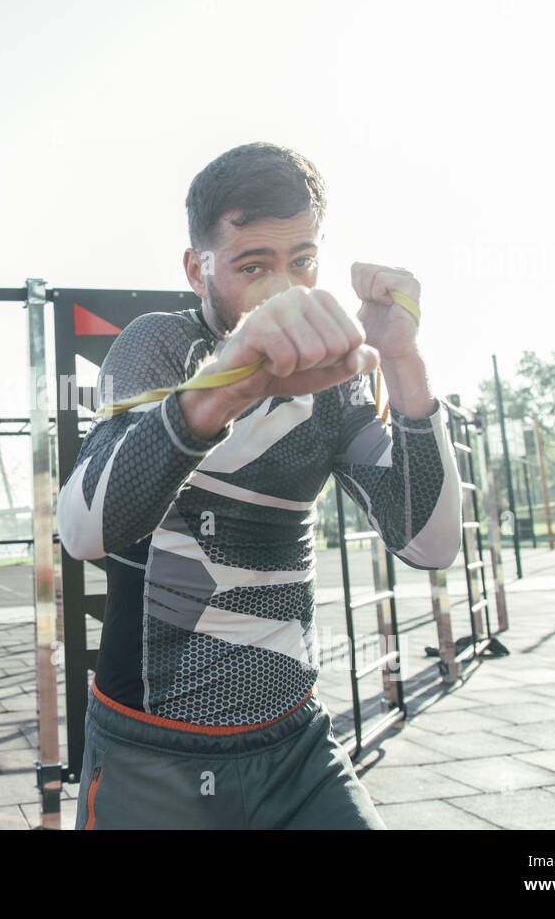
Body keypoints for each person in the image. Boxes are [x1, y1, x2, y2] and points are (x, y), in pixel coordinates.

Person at [57, 142, 463, 829]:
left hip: (296, 745)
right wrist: (224, 387)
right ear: (198, 269)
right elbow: (82, 529)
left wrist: (402, 357)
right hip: (152, 754)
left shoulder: (338, 377)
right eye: (254, 265)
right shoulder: (157, 345)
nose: (284, 288)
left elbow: (430, 542)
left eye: (301, 260)